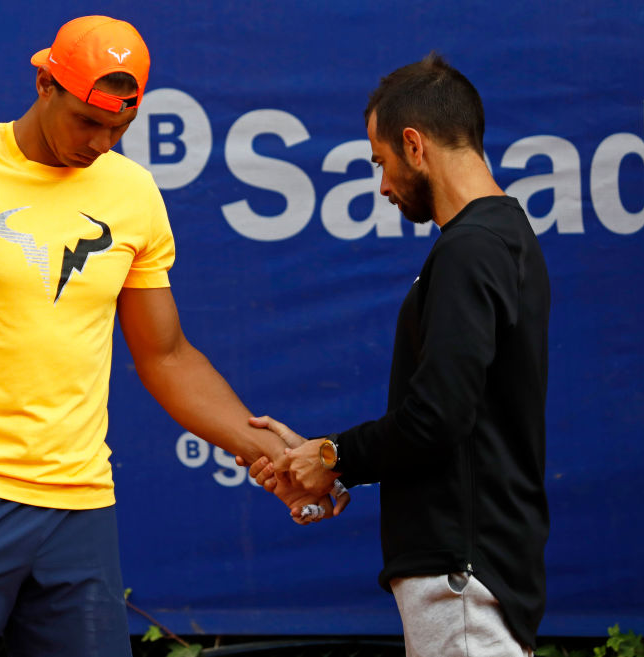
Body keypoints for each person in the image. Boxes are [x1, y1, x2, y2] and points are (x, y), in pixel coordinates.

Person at [0, 15, 339, 657]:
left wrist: (264, 447)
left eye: (120, 127)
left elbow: (167, 355)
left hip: (81, 508)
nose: (103, 141)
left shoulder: (133, 193)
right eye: (89, 121)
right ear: (44, 83)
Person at [248, 53, 550, 656]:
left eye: (380, 162)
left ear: (415, 146)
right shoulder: (499, 238)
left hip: (463, 574)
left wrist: (333, 455)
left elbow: (438, 415)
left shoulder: (472, 249)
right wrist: (330, 458)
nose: (383, 185)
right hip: (470, 570)